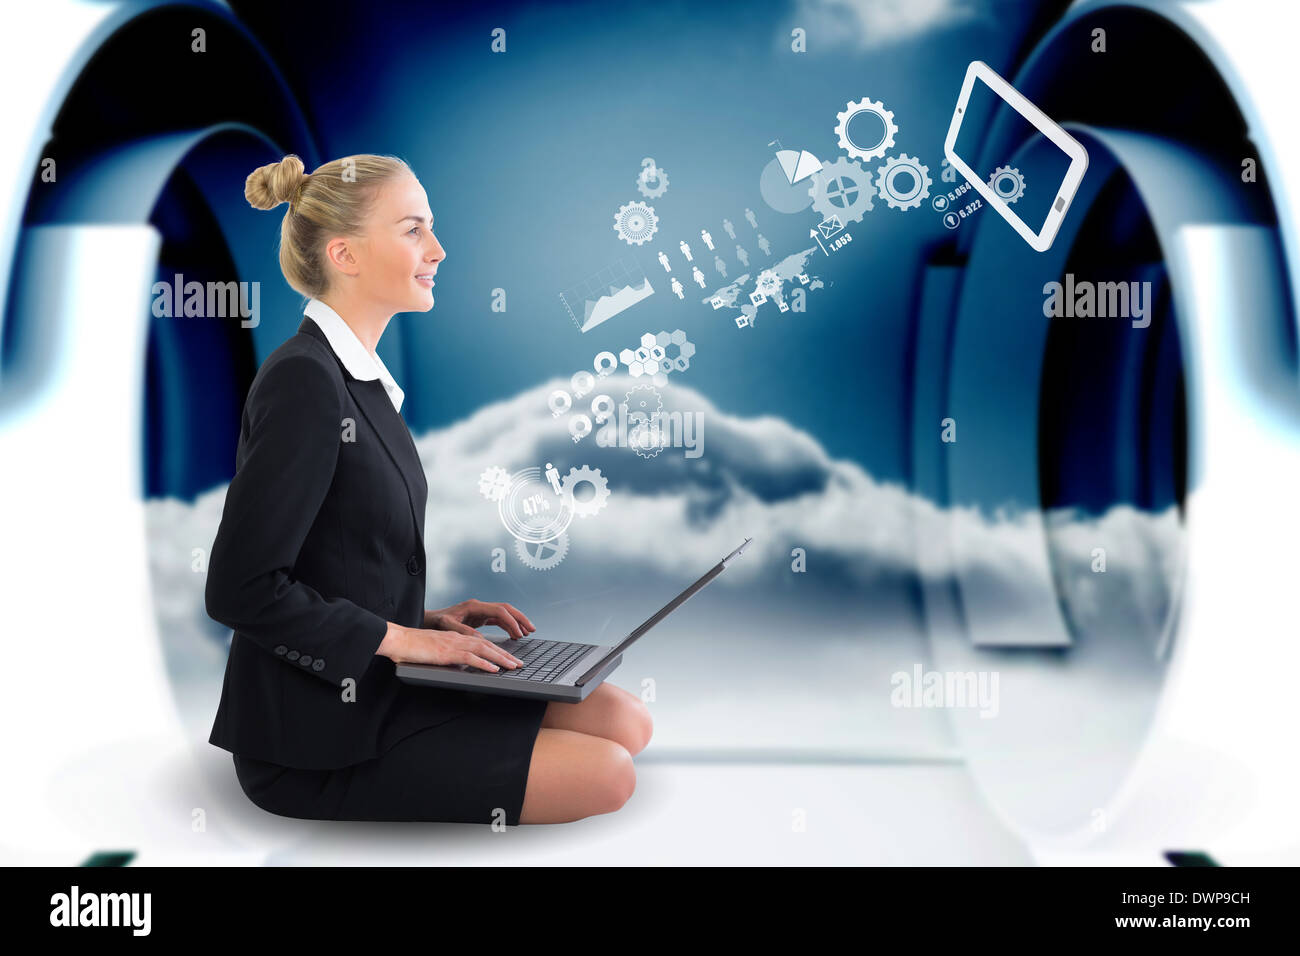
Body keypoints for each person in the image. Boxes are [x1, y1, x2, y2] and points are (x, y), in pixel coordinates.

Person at [207, 153, 651, 826]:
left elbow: (333, 556)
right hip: (315, 737)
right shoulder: (305, 381)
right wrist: (402, 640)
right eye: (413, 230)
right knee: (610, 775)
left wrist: (425, 622)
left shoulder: (358, 380)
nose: (438, 251)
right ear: (345, 255)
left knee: (626, 718)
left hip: (384, 679)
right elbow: (240, 588)